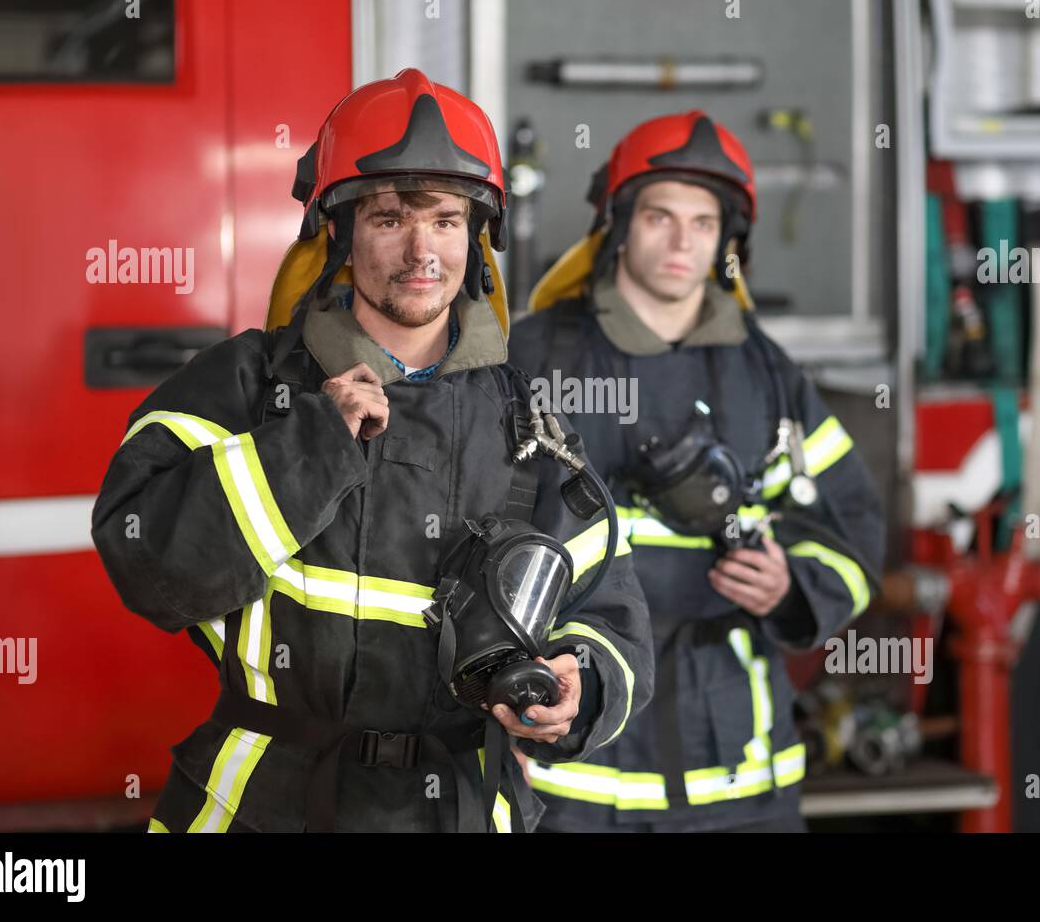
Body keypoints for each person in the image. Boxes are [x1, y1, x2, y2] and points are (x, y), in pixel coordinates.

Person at [91, 68, 653, 833]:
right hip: (260, 805)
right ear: (340, 233)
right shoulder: (247, 384)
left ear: (476, 237)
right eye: (390, 218)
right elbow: (147, 564)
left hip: (458, 808)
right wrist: (310, 446)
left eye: (447, 221)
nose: (423, 251)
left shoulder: (528, 423)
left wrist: (581, 685)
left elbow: (609, 613)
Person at [508, 111, 884, 832]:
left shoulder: (765, 371)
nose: (684, 241)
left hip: (741, 780)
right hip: (576, 772)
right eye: (660, 216)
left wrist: (791, 586)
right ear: (618, 222)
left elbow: (851, 524)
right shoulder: (536, 359)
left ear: (728, 240)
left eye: (704, 223)